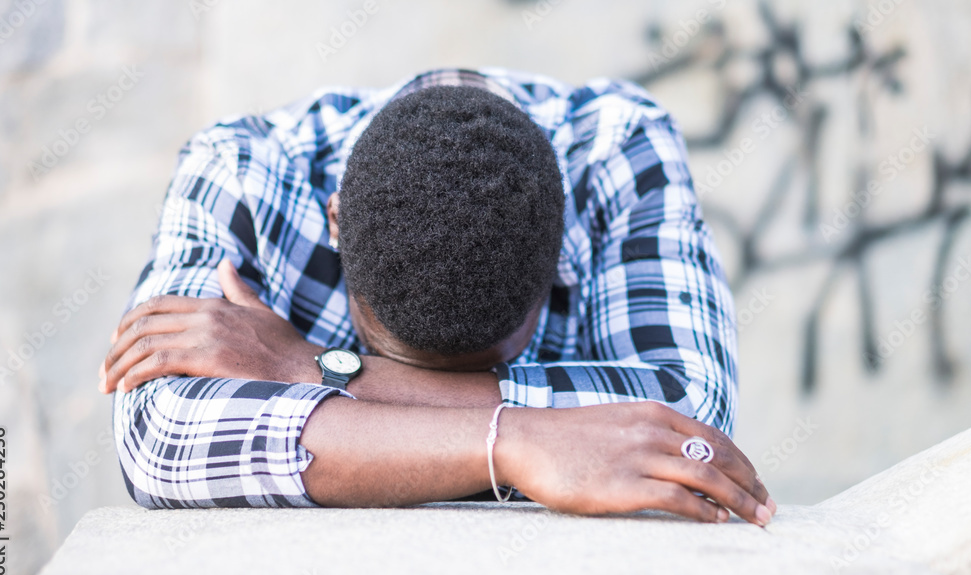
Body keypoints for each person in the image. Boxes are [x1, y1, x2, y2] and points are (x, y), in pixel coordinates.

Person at [98, 67, 775, 526]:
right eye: (388, 358)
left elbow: (690, 420)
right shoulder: (243, 170)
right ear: (336, 221)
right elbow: (159, 431)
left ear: (560, 253)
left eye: (489, 371)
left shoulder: (615, 150)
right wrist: (512, 442)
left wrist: (311, 369)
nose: (407, 388)